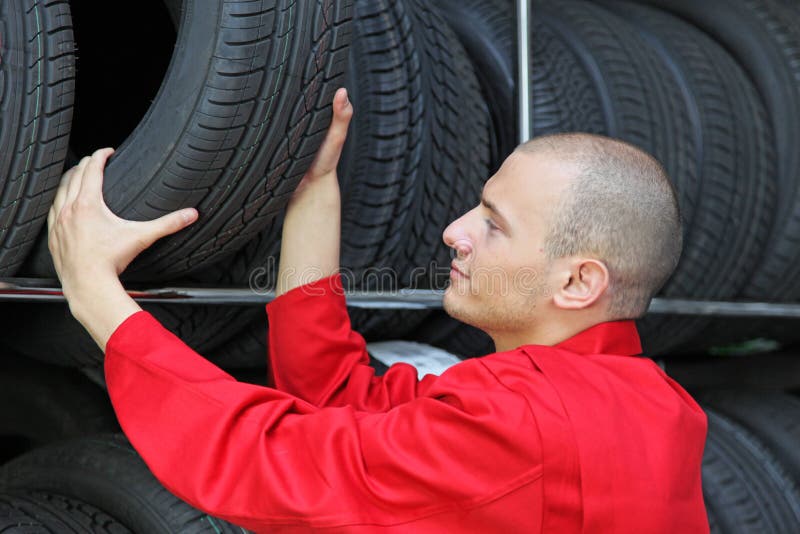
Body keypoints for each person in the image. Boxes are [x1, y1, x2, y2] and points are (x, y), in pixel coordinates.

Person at [48, 88, 709, 532]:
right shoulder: (657, 406)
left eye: (495, 225)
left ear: (577, 283)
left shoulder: (522, 424)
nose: (455, 230)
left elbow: (270, 461)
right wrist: (313, 191)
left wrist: (95, 292)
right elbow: (341, 400)